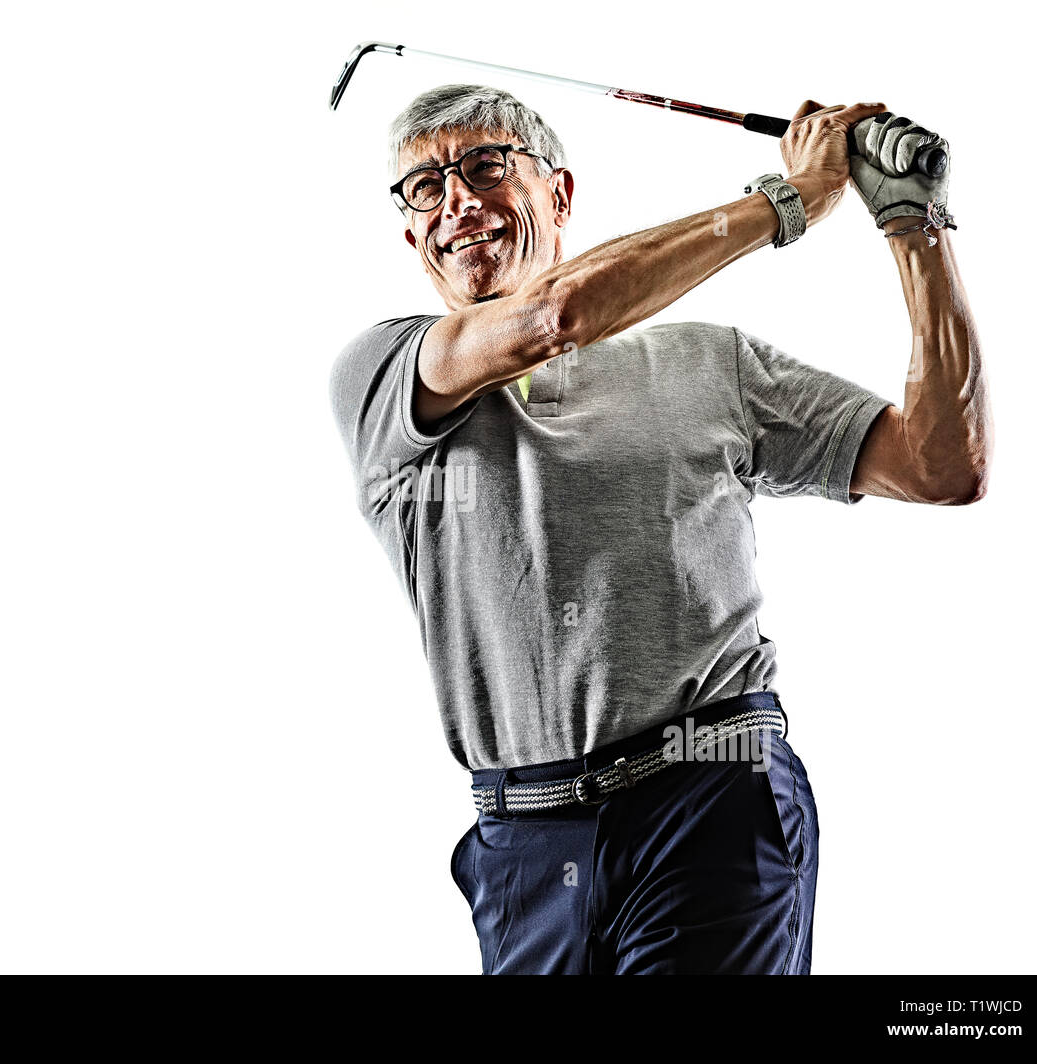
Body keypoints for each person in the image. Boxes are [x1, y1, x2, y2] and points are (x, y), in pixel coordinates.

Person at [327, 83, 992, 974]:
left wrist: (913, 229)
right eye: (426, 186)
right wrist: (783, 203)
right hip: (523, 846)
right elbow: (551, 319)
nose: (458, 201)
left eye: (487, 167)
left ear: (559, 195)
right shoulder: (387, 379)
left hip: (708, 800)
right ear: (412, 238)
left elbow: (942, 464)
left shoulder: (708, 363)